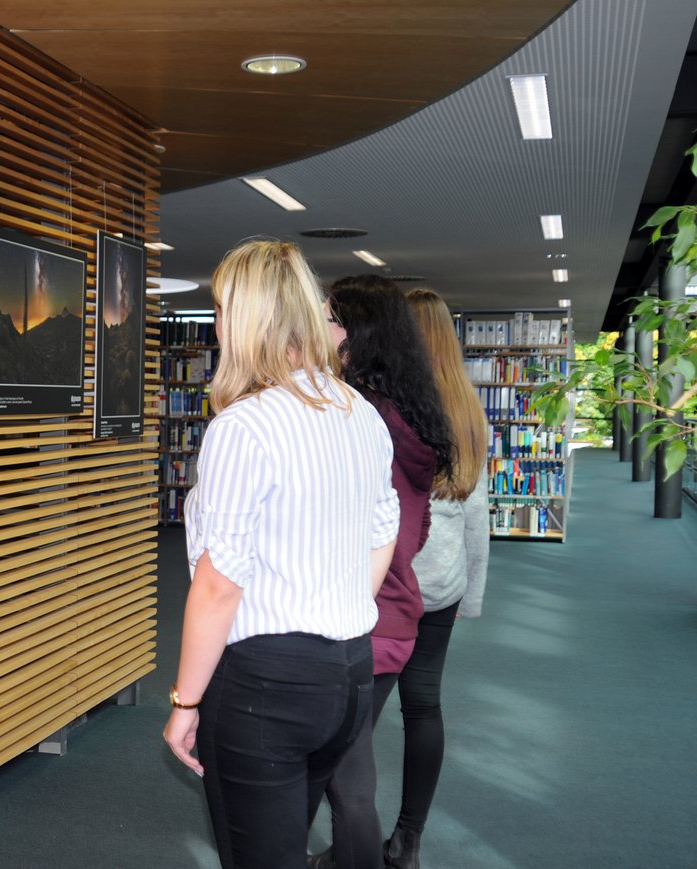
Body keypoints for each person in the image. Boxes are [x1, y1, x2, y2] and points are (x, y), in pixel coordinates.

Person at [162, 240, 401, 869]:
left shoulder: (243, 426)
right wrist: (336, 603)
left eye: (219, 308)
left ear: (244, 319)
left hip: (265, 687)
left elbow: (219, 585)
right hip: (348, 674)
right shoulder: (361, 414)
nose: (215, 323)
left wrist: (186, 702)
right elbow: (384, 533)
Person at [311, 275, 454, 869]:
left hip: (355, 617)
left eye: (328, 318)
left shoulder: (359, 420)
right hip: (394, 613)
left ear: (355, 334)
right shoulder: (413, 419)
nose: (317, 327)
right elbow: (412, 531)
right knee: (345, 772)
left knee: (339, 779)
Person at [378, 288, 491, 869]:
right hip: (442, 584)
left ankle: (351, 833)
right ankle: (408, 841)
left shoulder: (388, 407)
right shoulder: (468, 411)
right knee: (423, 707)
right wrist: (470, 597)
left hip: (387, 583)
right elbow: (477, 513)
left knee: (355, 717)